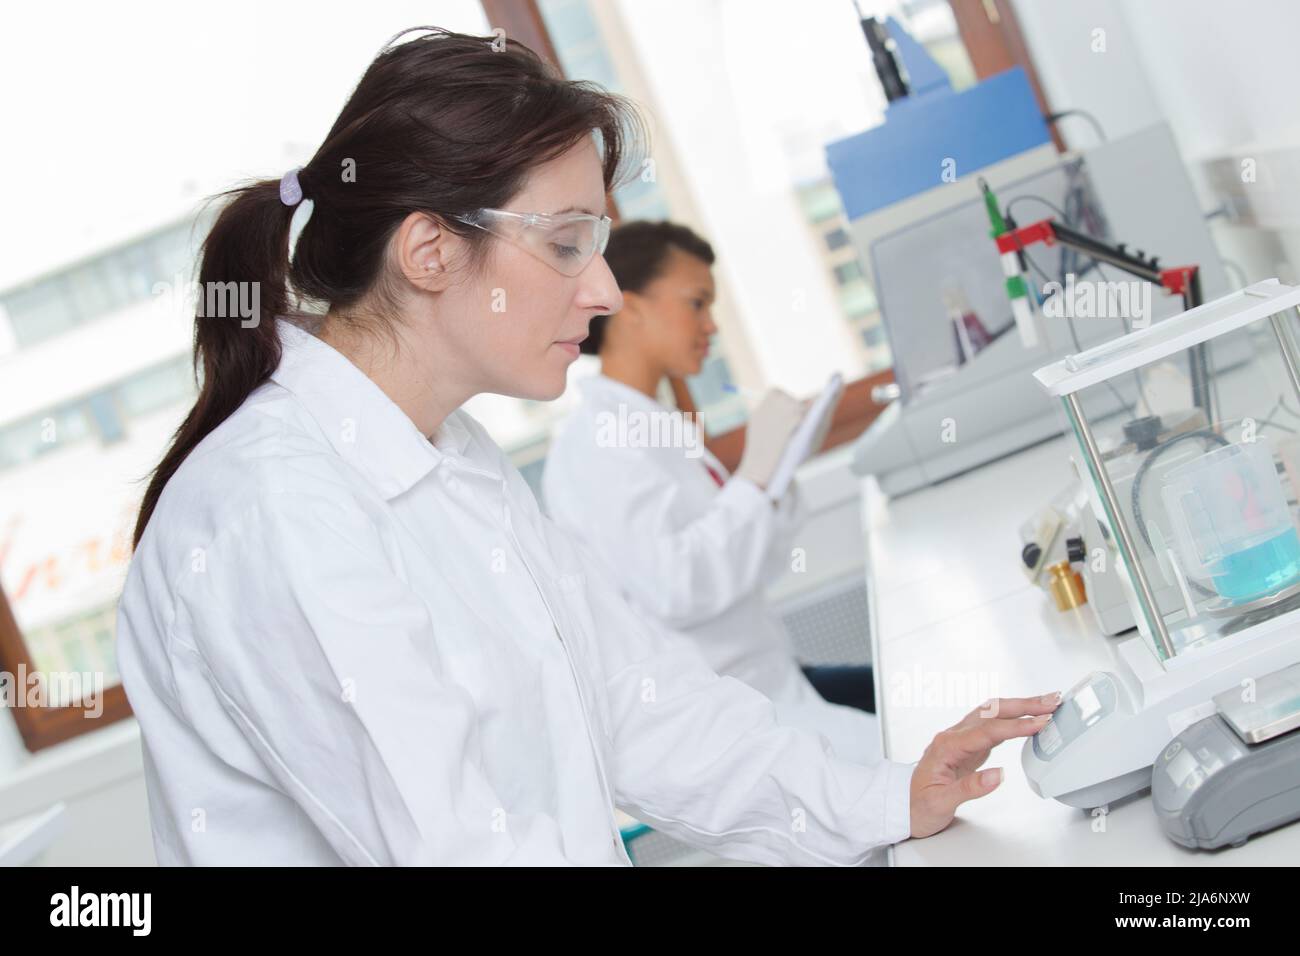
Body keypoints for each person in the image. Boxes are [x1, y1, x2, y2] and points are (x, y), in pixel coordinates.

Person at [115, 27, 1060, 866]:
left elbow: (639, 699)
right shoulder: (275, 514)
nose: (605, 291)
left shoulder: (452, 455)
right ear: (430, 252)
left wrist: (887, 797)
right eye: (567, 242)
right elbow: (457, 848)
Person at [543, 221, 883, 764]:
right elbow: (676, 588)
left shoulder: (655, 426)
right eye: (697, 303)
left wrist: (775, 476)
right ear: (629, 309)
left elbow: (756, 564)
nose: (711, 325)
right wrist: (753, 479)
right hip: (732, 718)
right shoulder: (598, 445)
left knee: (907, 706)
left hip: (774, 682)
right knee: (911, 750)